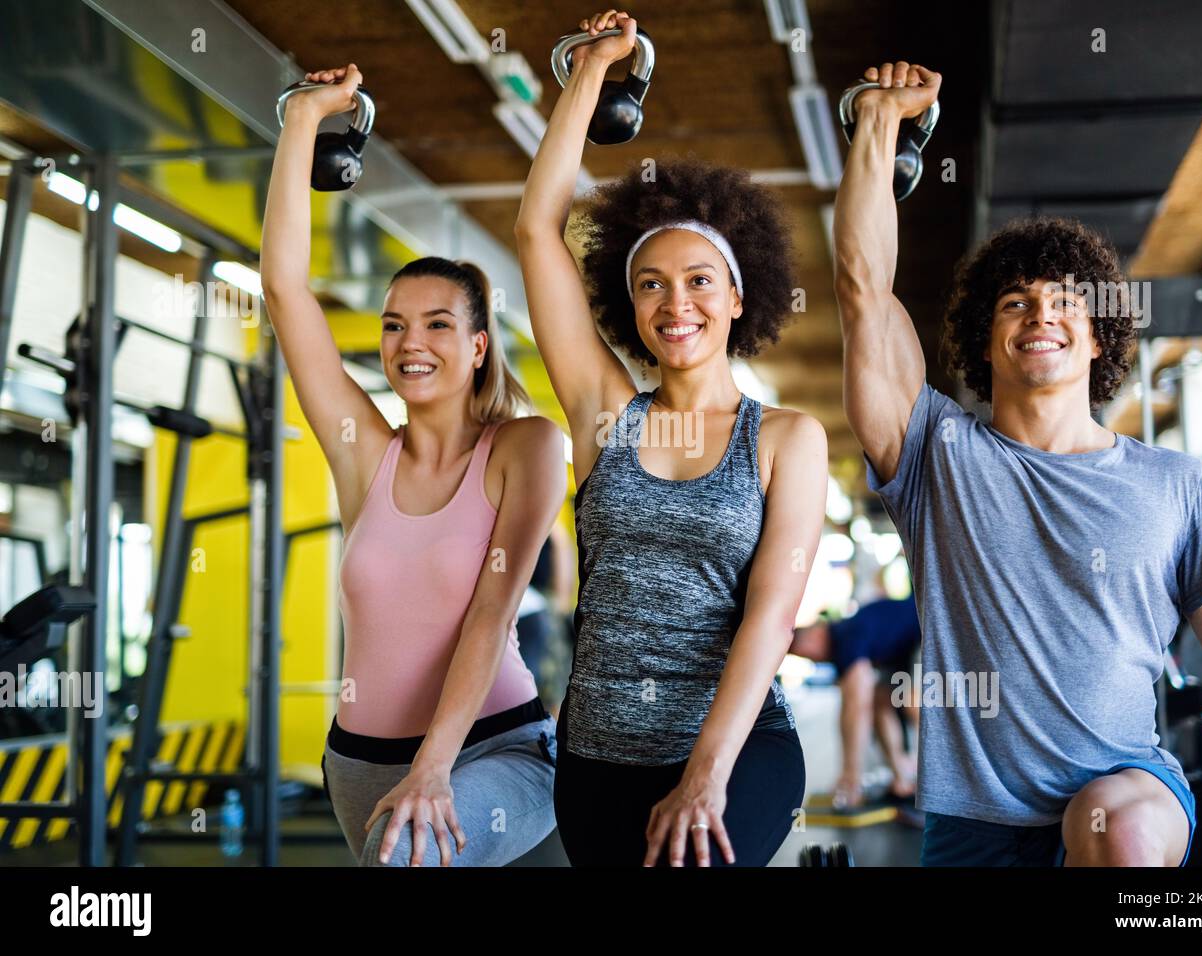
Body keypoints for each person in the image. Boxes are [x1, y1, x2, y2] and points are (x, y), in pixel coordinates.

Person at [835, 59, 1202, 866]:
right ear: (986, 337)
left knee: (1109, 827)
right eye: (1015, 302)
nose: (1041, 312)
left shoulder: (1176, 484)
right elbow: (863, 292)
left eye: (1064, 300)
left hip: (1128, 791)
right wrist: (879, 122)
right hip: (973, 823)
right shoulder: (936, 455)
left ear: (1098, 337)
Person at [514, 10, 827, 867]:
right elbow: (538, 231)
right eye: (650, 284)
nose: (673, 302)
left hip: (736, 751)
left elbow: (771, 618)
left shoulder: (785, 439)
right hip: (596, 752)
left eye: (698, 280)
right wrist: (590, 73)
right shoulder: (605, 414)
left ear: (736, 295)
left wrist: (705, 773)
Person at [262, 65, 567, 867]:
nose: (410, 343)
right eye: (395, 326)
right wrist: (302, 121)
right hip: (357, 762)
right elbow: (285, 289)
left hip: (491, 751)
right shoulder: (364, 454)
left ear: (475, 347)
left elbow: (493, 612)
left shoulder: (526, 446)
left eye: (436, 324)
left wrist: (434, 767)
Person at [790, 583, 921, 808]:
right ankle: (902, 777)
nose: (814, 658)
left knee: (913, 702)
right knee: (882, 701)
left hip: (928, 629)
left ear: (816, 634)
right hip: (906, 645)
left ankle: (944, 779)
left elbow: (855, 707)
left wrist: (850, 776)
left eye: (808, 652)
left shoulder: (845, 637)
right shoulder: (850, 636)